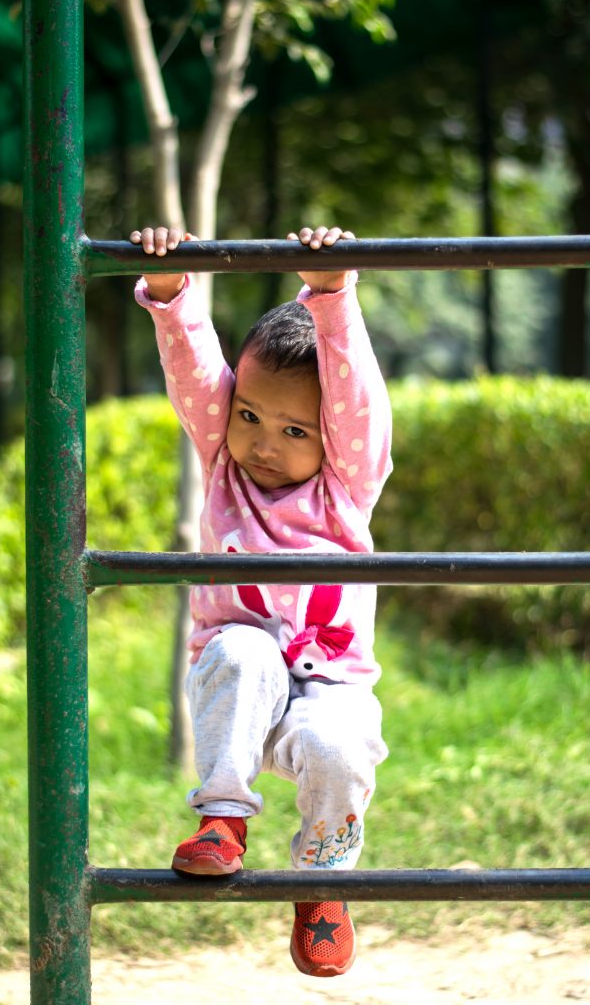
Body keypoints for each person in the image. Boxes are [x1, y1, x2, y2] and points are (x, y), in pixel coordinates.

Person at [130, 223, 393, 978]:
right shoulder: (221, 465)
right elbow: (193, 374)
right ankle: (222, 820)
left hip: (330, 684)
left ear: (329, 435)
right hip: (241, 682)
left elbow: (355, 397)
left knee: (339, 752)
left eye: (292, 430)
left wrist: (332, 294)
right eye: (249, 415)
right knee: (242, 650)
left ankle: (320, 882)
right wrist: (175, 295)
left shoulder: (346, 485)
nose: (263, 444)